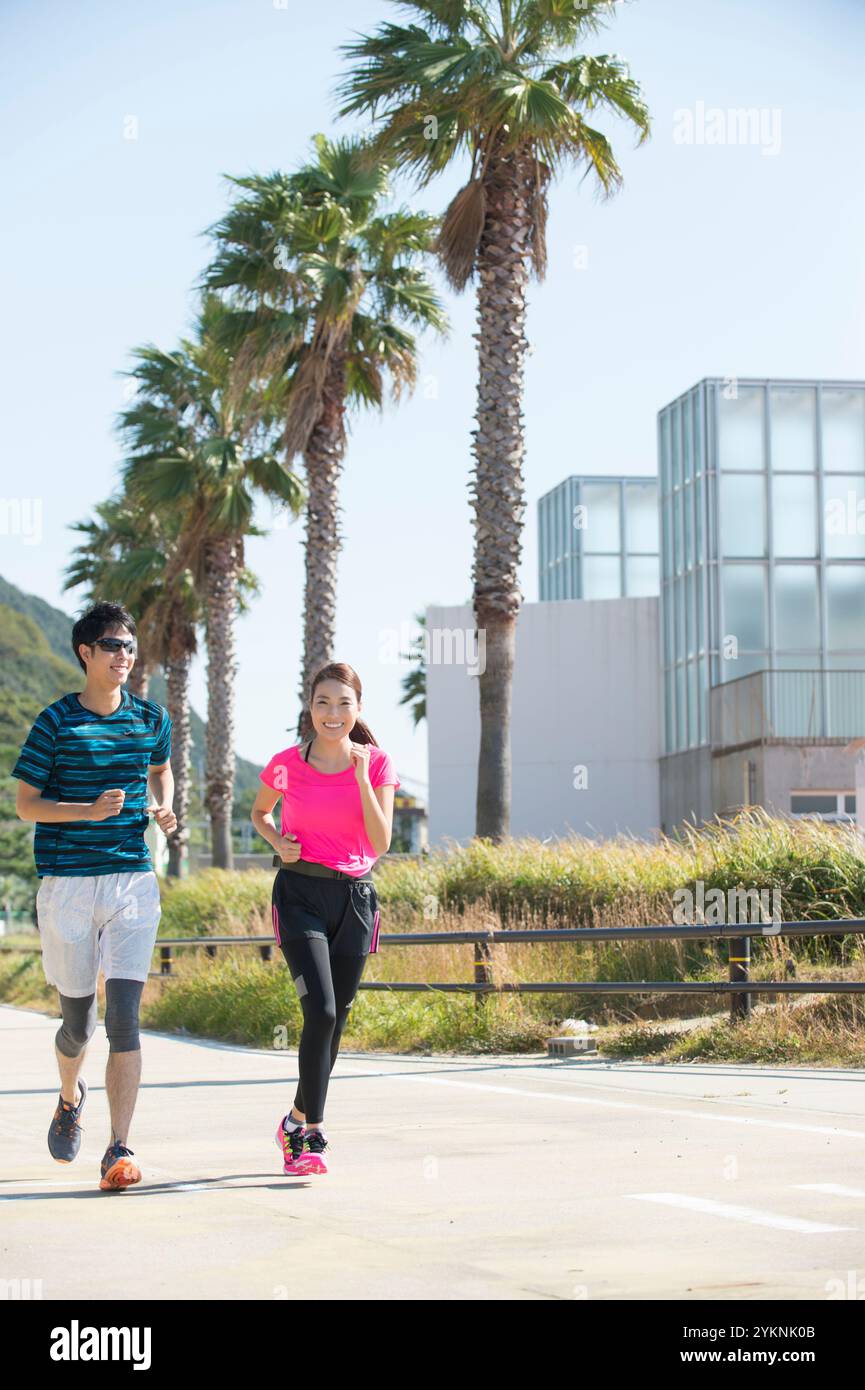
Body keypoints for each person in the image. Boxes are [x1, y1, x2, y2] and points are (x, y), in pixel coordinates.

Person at [12, 600, 176, 1191]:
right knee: (78, 1025)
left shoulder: (151, 717)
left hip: (132, 878)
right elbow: (25, 803)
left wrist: (163, 803)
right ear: (86, 652)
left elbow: (160, 769)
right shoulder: (55, 722)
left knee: (125, 1019)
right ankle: (67, 1094)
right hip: (67, 886)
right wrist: (85, 810)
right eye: (113, 646)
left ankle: (119, 1149)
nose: (124, 656)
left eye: (130, 647)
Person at [251, 661, 400, 1176]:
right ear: (309, 707)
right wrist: (277, 842)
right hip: (299, 894)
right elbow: (259, 813)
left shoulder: (377, 764)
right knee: (322, 1012)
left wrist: (360, 778)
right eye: (322, 703)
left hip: (355, 900)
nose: (332, 713)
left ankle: (295, 1120)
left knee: (335, 1023)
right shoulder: (286, 763)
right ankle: (309, 1135)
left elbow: (380, 844)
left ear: (358, 709)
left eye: (343, 703)